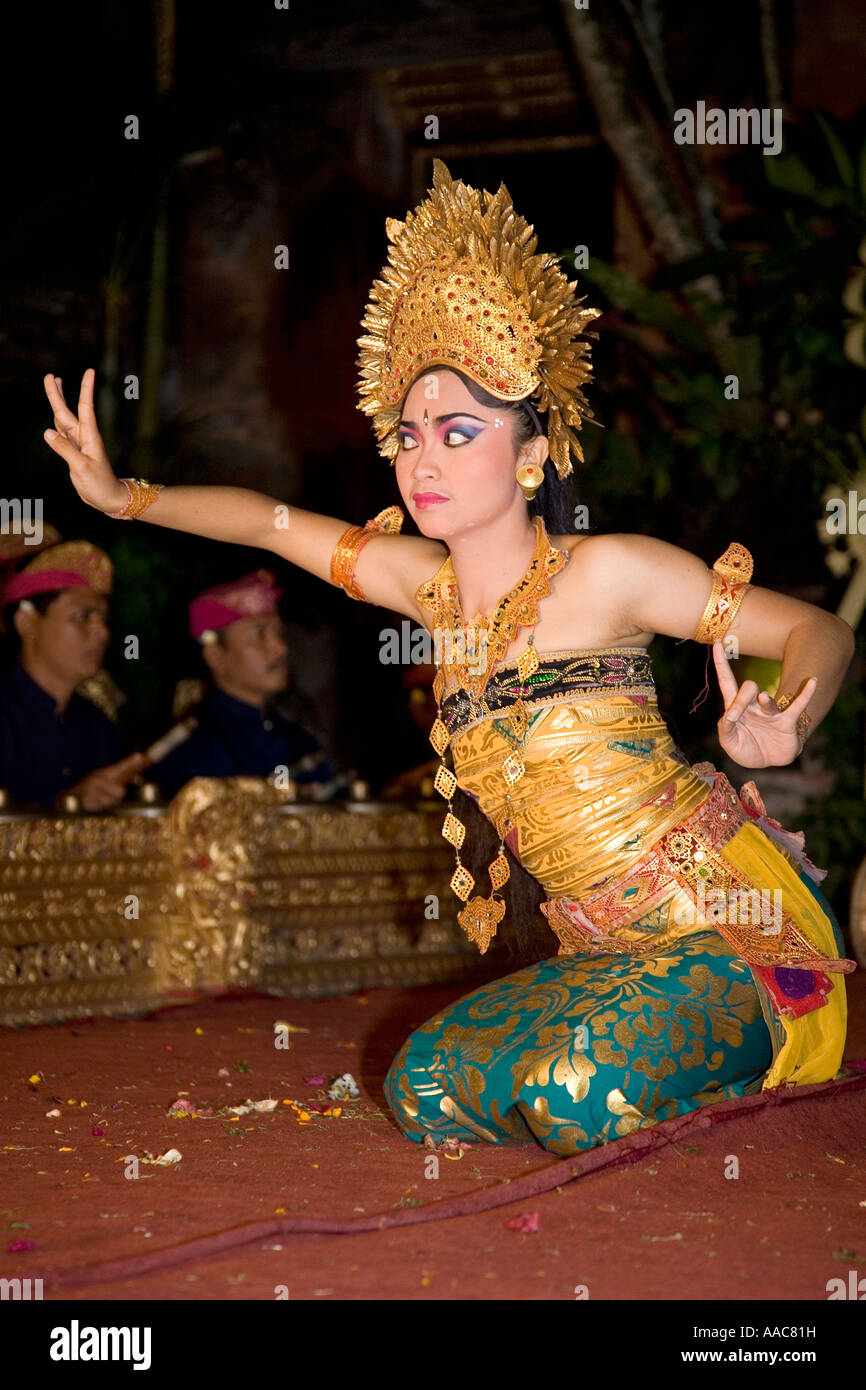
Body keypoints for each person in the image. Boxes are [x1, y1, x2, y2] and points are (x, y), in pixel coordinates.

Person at [42, 160, 856, 1156]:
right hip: (606, 950)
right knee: (423, 1088)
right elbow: (269, 521)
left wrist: (785, 720)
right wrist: (127, 496)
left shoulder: (606, 573)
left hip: (735, 932)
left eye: (458, 432)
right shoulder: (423, 590)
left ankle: (721, 1052)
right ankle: (640, 1053)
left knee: (570, 1098)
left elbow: (821, 630)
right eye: (408, 434)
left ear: (526, 452)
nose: (422, 461)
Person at [151, 568, 333, 799]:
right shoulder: (189, 750)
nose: (280, 647)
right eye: (259, 634)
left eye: (278, 632)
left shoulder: (298, 739)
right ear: (216, 656)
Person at [0, 540, 146, 811]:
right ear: (27, 623)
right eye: (82, 616)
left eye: (104, 619)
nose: (101, 632)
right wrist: (67, 803)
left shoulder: (96, 722)